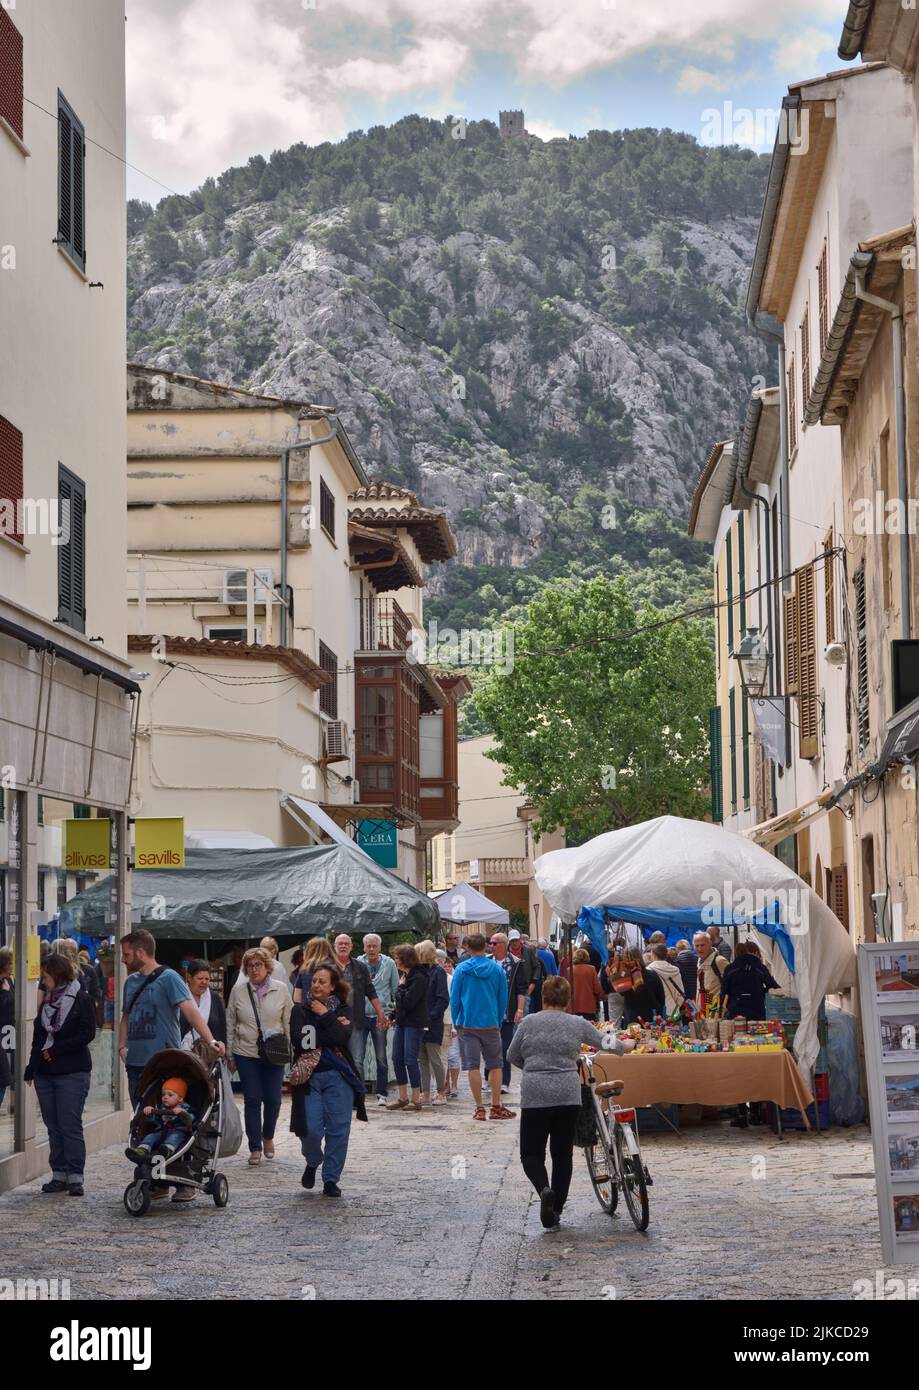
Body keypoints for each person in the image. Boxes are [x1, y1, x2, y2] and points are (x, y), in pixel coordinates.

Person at [507, 974, 635, 1228]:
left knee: (531, 1153)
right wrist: (627, 1045)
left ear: (543, 998)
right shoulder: (576, 1023)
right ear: (567, 1000)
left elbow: (512, 1054)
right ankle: (555, 1210)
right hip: (567, 1093)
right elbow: (605, 1041)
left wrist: (533, 1068)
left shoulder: (529, 1022)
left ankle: (544, 1190)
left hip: (535, 1094)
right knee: (562, 1153)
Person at [119, 930, 224, 1108]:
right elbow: (126, 1016)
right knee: (140, 1116)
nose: (123, 959)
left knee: (164, 1118)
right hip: (135, 1063)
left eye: (126, 954)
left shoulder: (170, 978)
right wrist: (121, 1046)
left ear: (140, 953)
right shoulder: (130, 982)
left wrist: (211, 1040)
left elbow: (190, 1011)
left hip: (163, 1062)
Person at [290, 963, 366, 1197]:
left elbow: (342, 1036)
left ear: (333, 986)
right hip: (309, 1076)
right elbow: (303, 1042)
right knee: (310, 1129)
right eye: (314, 981)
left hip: (339, 1076)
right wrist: (329, 1024)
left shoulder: (343, 1009)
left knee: (339, 1129)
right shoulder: (300, 1011)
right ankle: (313, 1160)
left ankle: (331, 1179)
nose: (316, 985)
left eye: (322, 982)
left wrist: (324, 1016)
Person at [23, 952, 96, 1196]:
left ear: (57, 974)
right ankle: (59, 1173)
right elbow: (38, 1038)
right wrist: (31, 1068)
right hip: (46, 1073)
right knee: (53, 1124)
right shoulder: (47, 1002)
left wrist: (57, 1050)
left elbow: (87, 1034)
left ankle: (75, 1176)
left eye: (46, 976)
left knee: (69, 1123)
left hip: (72, 1071)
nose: (44, 981)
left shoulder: (80, 998)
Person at [226, 947, 292, 1165]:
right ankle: (254, 1146)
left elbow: (289, 1021)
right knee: (252, 1098)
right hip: (246, 1051)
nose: (254, 969)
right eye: (250, 966)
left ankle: (268, 1136)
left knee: (273, 1099)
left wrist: (293, 1050)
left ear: (267, 967)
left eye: (258, 965)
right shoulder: (238, 991)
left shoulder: (280, 989)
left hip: (274, 1052)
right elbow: (230, 1022)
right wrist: (229, 1053)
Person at [450, 934, 514, 1121]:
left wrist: (457, 1020)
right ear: (486, 947)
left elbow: (454, 999)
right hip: (490, 1022)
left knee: (472, 1066)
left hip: (467, 1023)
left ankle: (479, 1108)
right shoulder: (496, 969)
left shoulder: (461, 969)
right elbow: (503, 998)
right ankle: (495, 1105)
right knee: (495, 1065)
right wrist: (499, 1019)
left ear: (468, 947)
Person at [330, 933, 386, 1082]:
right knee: (334, 1060)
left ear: (351, 947)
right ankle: (338, 1096)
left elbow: (370, 990)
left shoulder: (360, 967)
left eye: (346, 944)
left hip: (355, 1021)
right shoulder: (327, 967)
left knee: (357, 1061)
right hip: (332, 1022)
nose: (343, 946)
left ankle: (358, 1098)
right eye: (340, 943)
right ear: (334, 946)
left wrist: (380, 1012)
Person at [489, 931, 534, 1092]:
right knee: (489, 1047)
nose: (491, 946)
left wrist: (520, 1009)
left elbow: (521, 989)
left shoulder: (516, 963)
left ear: (504, 945)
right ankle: (489, 1079)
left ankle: (504, 1082)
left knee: (505, 1047)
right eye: (491, 943)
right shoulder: (488, 962)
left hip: (507, 1012)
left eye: (494, 943)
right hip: (488, 1013)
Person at [358, 934, 397, 1107]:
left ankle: (382, 1092)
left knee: (381, 1056)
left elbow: (395, 989)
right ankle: (358, 1093)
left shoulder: (389, 964)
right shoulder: (358, 963)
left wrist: (392, 1013)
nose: (371, 949)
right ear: (364, 947)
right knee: (357, 1056)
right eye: (368, 946)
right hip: (360, 1016)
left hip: (381, 1017)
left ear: (379, 947)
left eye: (374, 946)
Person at [388, 944, 428, 1111]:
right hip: (403, 1022)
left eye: (398, 958)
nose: (396, 961)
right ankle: (403, 1097)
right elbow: (402, 1003)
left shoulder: (419, 977)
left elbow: (409, 1002)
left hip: (414, 1023)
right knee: (397, 1058)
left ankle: (416, 1098)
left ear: (405, 959)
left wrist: (401, 988)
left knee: (410, 1059)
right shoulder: (407, 975)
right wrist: (394, 1014)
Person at [127, 1076, 194, 1161]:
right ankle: (142, 1149)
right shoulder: (161, 1108)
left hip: (177, 1131)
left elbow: (191, 1119)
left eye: (170, 1095)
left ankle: (167, 1150)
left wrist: (183, 1113)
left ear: (180, 1098)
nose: (165, 1097)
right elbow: (154, 1120)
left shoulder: (185, 1108)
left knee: (175, 1138)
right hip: (161, 1132)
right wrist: (150, 1112)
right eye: (163, 1094)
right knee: (150, 1136)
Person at [417, 940, 450, 1106]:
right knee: (421, 1058)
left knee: (435, 1058)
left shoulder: (438, 972)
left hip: (432, 1022)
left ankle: (440, 1092)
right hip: (418, 1022)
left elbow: (443, 998)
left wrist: (431, 1017)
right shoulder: (418, 971)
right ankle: (425, 1092)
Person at [720, 942, 779, 1020]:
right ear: (756, 952)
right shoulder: (759, 967)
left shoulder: (730, 968)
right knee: (757, 1031)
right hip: (756, 1010)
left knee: (738, 1030)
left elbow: (724, 991)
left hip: (735, 1010)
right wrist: (761, 991)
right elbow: (773, 986)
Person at [180, 959, 227, 1051]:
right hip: (183, 1053)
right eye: (200, 979)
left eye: (207, 979)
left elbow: (222, 1028)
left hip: (210, 1054)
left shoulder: (215, 998)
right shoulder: (180, 998)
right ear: (189, 977)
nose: (204, 982)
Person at [435, 948, 461, 1098]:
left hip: (449, 1021)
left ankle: (453, 1085)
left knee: (452, 1056)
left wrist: (454, 1023)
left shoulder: (451, 981)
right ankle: (443, 1086)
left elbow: (455, 1003)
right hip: (439, 1022)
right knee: (441, 1056)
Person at [618, 949, 666, 1026]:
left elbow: (622, 993)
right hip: (652, 1017)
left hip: (632, 1019)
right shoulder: (652, 975)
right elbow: (661, 997)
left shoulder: (625, 979)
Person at [292, 936, 337, 1003]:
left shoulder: (304, 970)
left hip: (307, 1010)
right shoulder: (336, 968)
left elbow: (296, 998)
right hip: (330, 1010)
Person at [646, 945, 687, 1014]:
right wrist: (676, 1007)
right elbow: (681, 993)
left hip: (657, 1014)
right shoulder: (675, 970)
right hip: (674, 1011)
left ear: (653, 955)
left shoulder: (649, 970)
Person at [694, 931, 728, 1010]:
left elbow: (732, 985)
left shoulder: (719, 961)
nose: (699, 949)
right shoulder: (699, 961)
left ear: (710, 943)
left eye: (702, 945)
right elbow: (706, 989)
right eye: (697, 946)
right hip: (702, 1011)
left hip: (716, 1012)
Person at [571, 947, 604, 1020]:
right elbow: (597, 988)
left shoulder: (569, 970)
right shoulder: (591, 969)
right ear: (587, 957)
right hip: (588, 1005)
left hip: (573, 1006)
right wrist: (601, 996)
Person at [0, 946, 14, 1115]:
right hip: (3, 1032)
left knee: (6, 1076)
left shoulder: (9, 981)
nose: (12, 967)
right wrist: (4, 994)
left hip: (10, 1032)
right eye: (10, 963)